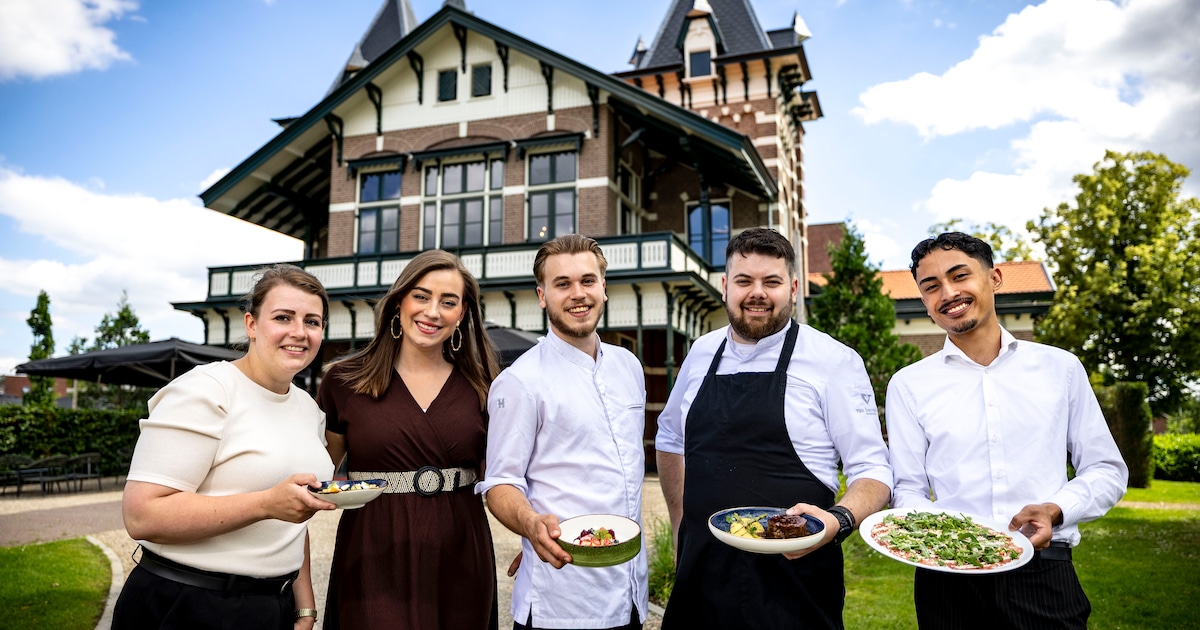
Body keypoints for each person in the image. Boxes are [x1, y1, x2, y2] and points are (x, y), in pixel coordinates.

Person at [886, 232, 1128, 629]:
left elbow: (1106, 469)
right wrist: (946, 537)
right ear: (925, 302)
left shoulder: (1061, 369)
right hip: (948, 580)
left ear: (994, 278)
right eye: (931, 287)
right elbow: (907, 488)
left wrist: (1056, 510)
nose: (948, 293)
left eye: (959, 276)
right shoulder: (907, 385)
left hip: (1044, 571)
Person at [656, 227, 892, 628]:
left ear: (794, 287)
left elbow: (874, 470)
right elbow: (670, 438)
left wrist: (837, 521)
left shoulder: (833, 360)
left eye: (772, 282)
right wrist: (681, 526)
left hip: (795, 585)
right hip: (701, 578)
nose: (757, 293)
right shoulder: (700, 352)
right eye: (745, 281)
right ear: (725, 285)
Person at [113, 264, 337, 630]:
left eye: (312, 322)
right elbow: (142, 516)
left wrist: (304, 606)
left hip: (272, 609)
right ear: (251, 324)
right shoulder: (207, 390)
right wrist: (265, 503)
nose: (299, 332)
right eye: (283, 317)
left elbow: (292, 516)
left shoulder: (309, 409)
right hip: (187, 604)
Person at [318, 249, 501, 629]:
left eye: (448, 302)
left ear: (462, 314)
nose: (433, 311)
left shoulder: (485, 387)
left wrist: (532, 533)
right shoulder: (343, 382)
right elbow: (323, 471)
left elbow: (506, 475)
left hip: (461, 549)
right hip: (373, 546)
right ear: (399, 301)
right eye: (421, 296)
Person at [479, 234, 648, 630]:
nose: (578, 294)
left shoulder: (629, 366)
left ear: (604, 288)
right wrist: (530, 525)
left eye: (588, 280)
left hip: (631, 592)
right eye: (562, 284)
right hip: (561, 599)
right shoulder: (520, 381)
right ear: (542, 296)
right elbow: (500, 483)